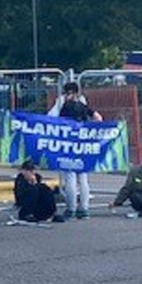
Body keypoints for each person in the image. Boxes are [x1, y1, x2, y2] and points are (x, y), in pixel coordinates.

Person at [47, 82, 102, 220]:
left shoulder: (61, 103)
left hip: (68, 144)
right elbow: (98, 117)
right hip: (82, 144)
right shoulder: (82, 105)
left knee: (70, 177)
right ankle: (84, 208)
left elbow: (50, 117)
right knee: (83, 178)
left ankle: (71, 208)